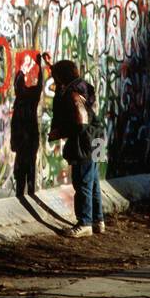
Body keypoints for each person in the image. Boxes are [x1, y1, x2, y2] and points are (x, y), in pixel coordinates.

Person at [48, 60, 103, 237]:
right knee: (93, 181)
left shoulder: (72, 93)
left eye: (55, 77)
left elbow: (79, 122)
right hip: (97, 136)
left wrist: (60, 132)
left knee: (82, 182)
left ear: (62, 76)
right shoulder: (83, 86)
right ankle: (98, 220)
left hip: (84, 140)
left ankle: (85, 222)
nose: (54, 80)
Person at [11, 58, 43, 197]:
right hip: (32, 136)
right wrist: (39, 66)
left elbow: (18, 84)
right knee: (30, 164)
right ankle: (30, 192)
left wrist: (23, 69)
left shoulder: (20, 97)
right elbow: (40, 85)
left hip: (22, 137)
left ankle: (21, 191)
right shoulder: (33, 97)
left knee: (21, 167)